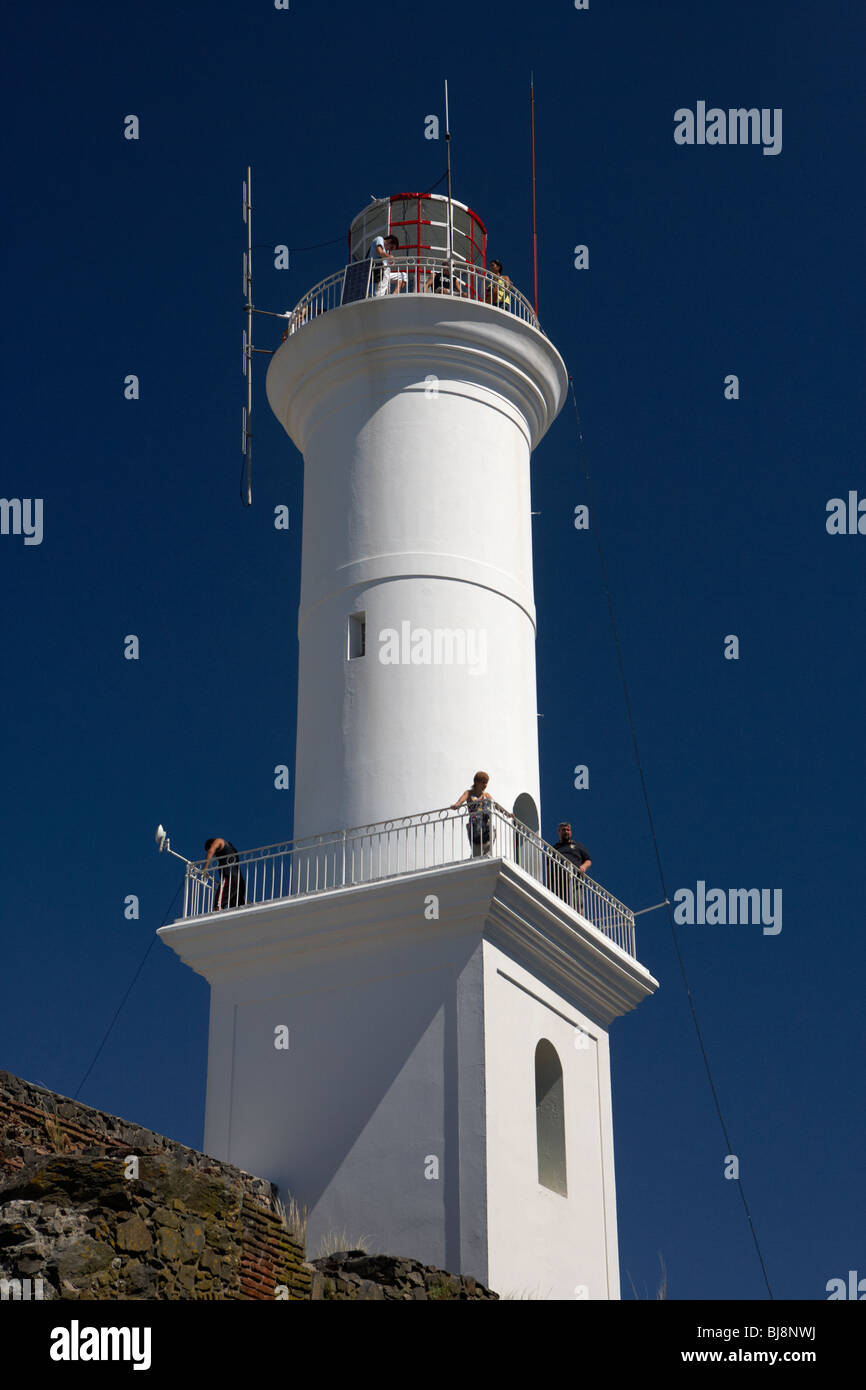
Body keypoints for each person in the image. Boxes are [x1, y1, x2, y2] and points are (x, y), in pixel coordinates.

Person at [452, 772, 494, 857]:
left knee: (488, 852)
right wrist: (457, 805)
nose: (485, 785)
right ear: (476, 782)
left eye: (486, 783)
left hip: (486, 825)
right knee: (476, 853)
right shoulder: (469, 793)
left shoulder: (487, 795)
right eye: (483, 782)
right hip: (475, 826)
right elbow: (460, 801)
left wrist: (507, 814)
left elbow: (496, 806)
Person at [552, 823, 591, 912]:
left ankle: (580, 919)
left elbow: (588, 860)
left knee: (578, 902)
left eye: (568, 830)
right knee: (560, 902)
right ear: (559, 832)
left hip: (575, 879)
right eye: (563, 830)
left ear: (571, 832)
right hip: (560, 880)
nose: (566, 832)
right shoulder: (555, 848)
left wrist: (584, 867)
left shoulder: (577, 846)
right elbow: (549, 864)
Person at [204, 837, 247, 910]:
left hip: (229, 877)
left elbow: (211, 851)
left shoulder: (218, 841)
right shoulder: (231, 848)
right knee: (237, 908)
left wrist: (205, 868)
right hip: (239, 882)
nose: (214, 854)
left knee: (218, 905)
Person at [368, 233, 407, 297]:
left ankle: (394, 295)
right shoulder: (380, 239)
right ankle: (378, 302)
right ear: (389, 241)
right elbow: (379, 252)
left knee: (403, 276)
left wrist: (390, 261)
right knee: (379, 293)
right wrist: (389, 257)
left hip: (385, 273)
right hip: (379, 272)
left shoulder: (385, 251)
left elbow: (384, 257)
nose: (390, 250)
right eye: (391, 247)